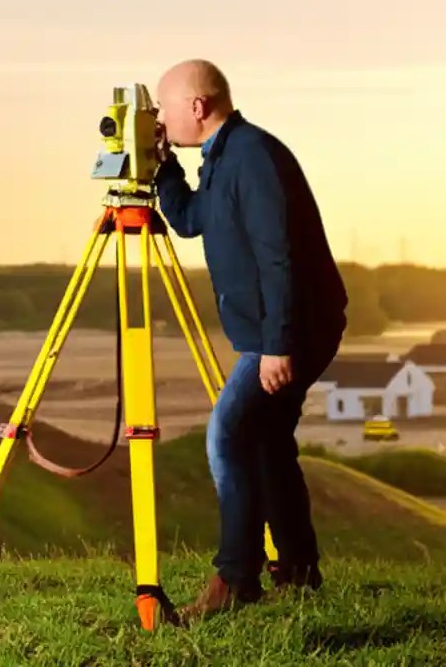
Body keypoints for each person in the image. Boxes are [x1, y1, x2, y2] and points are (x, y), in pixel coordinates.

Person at [152, 58, 348, 619]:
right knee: (266, 444)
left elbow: (277, 256)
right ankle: (299, 569)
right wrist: (164, 166)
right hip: (275, 328)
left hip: (292, 328)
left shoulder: (253, 156)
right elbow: (191, 219)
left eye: (165, 109)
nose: (160, 120)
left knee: (228, 435)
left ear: (197, 106)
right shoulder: (219, 159)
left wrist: (277, 345)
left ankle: (236, 579)